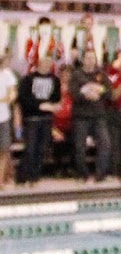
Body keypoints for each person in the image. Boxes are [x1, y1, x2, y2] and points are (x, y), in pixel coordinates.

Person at [68, 50, 113, 182]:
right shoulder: (76, 75)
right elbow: (74, 93)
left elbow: (108, 92)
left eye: (93, 58)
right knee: (79, 146)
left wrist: (99, 90)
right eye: (88, 58)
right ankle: (83, 174)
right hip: (81, 116)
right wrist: (86, 95)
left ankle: (100, 174)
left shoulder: (101, 75)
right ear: (83, 60)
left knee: (105, 143)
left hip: (98, 115)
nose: (90, 60)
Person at [17, 53, 61, 185]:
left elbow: (56, 98)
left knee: (42, 149)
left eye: (49, 64)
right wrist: (40, 106)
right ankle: (24, 176)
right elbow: (23, 99)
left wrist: (52, 106)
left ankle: (35, 176)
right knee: (30, 148)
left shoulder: (54, 80)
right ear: (39, 64)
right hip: (32, 118)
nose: (47, 66)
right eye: (44, 63)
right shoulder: (28, 79)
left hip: (46, 119)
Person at [0, 52, 14, 186]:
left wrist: (9, 97)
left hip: (3, 117)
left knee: (4, 149)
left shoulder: (7, 74)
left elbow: (12, 93)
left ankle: (1, 179)